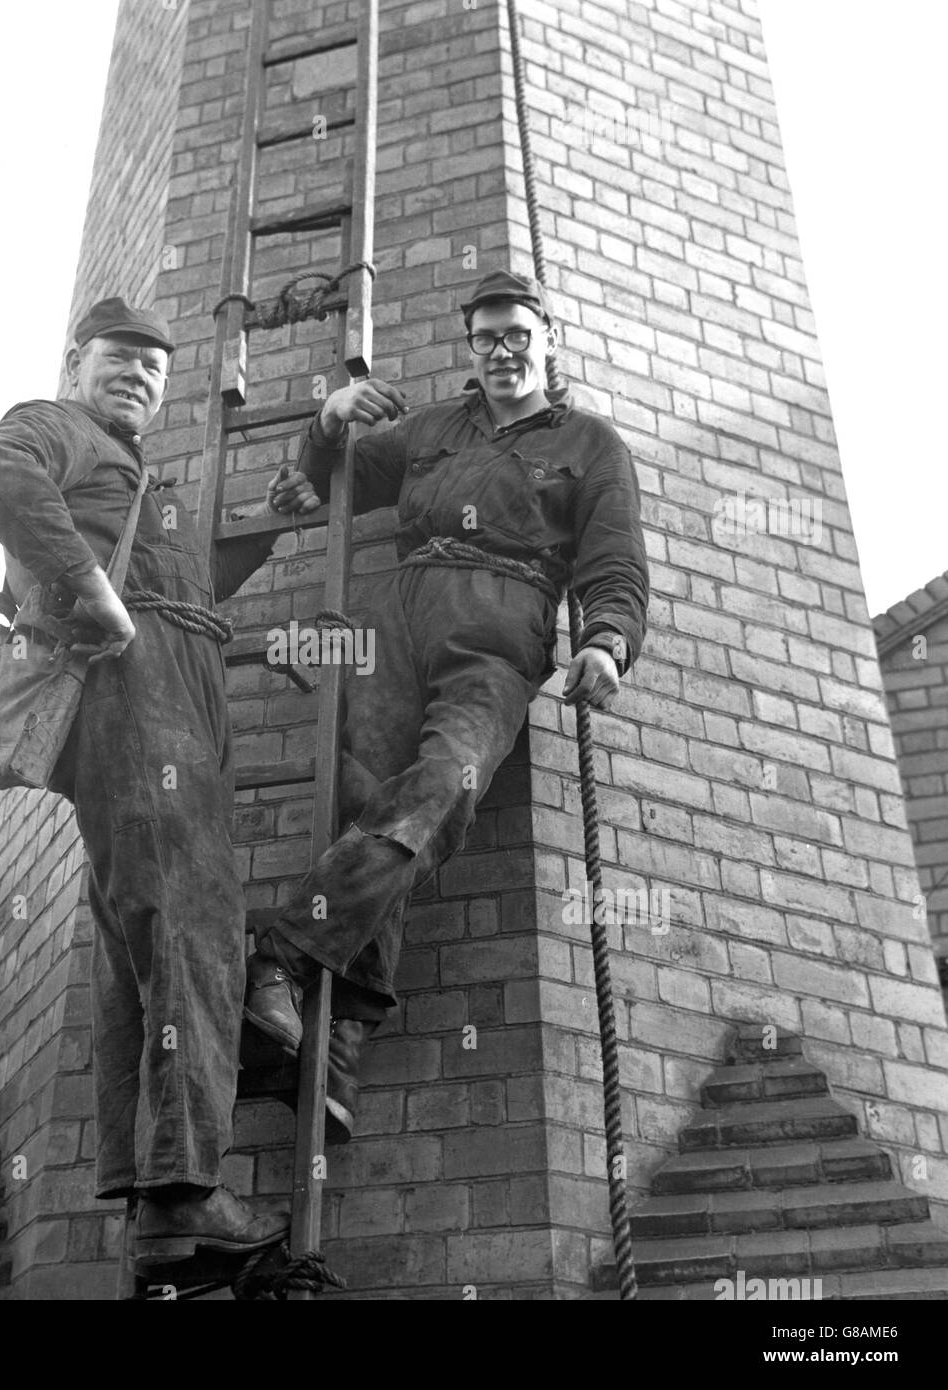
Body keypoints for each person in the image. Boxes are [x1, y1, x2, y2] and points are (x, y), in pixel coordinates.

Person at [243, 270, 650, 1141]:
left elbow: (614, 563)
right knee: (371, 799)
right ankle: (339, 1043)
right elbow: (337, 478)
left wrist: (606, 642)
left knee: (444, 787)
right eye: (487, 338)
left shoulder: (589, 445)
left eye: (518, 336)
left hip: (501, 621)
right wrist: (328, 417)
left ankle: (282, 956)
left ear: (549, 342)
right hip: (397, 611)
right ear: (472, 346)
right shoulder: (431, 428)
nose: (503, 352)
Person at [0, 296, 287, 1265]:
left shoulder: (136, 476)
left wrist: (287, 499)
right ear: (75, 365)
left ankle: (148, 1194)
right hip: (134, 708)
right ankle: (186, 1183)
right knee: (189, 915)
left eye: (153, 365)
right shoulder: (57, 429)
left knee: (135, 938)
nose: (138, 375)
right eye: (119, 358)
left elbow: (191, 586)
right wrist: (90, 588)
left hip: (169, 708)